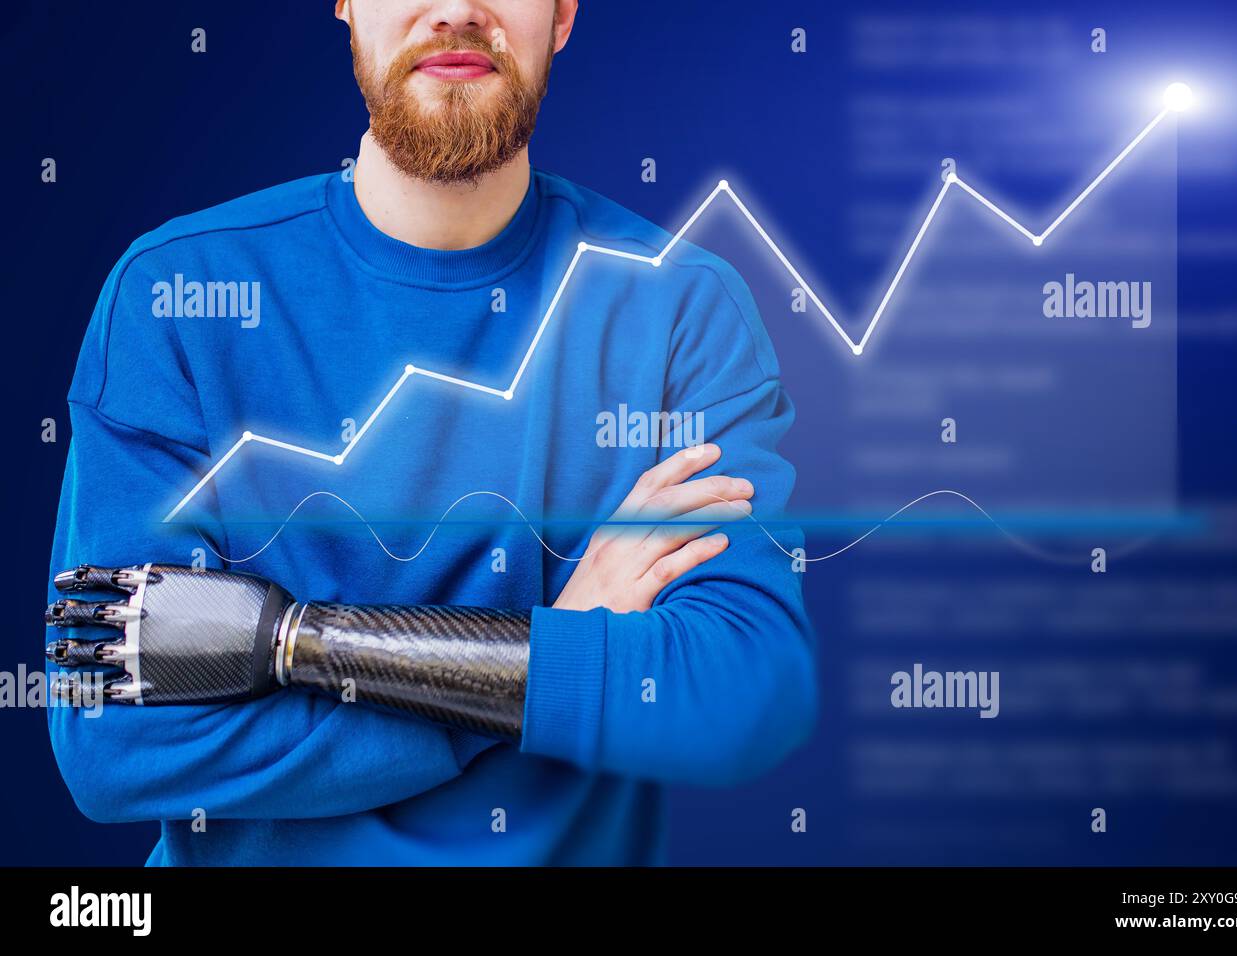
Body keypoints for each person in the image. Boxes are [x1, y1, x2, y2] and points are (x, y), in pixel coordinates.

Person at [47, 0, 815, 865]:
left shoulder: (681, 310)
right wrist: (552, 649)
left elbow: (742, 695)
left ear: (562, 12)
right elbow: (113, 741)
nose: (455, 10)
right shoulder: (175, 297)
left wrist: (296, 650)